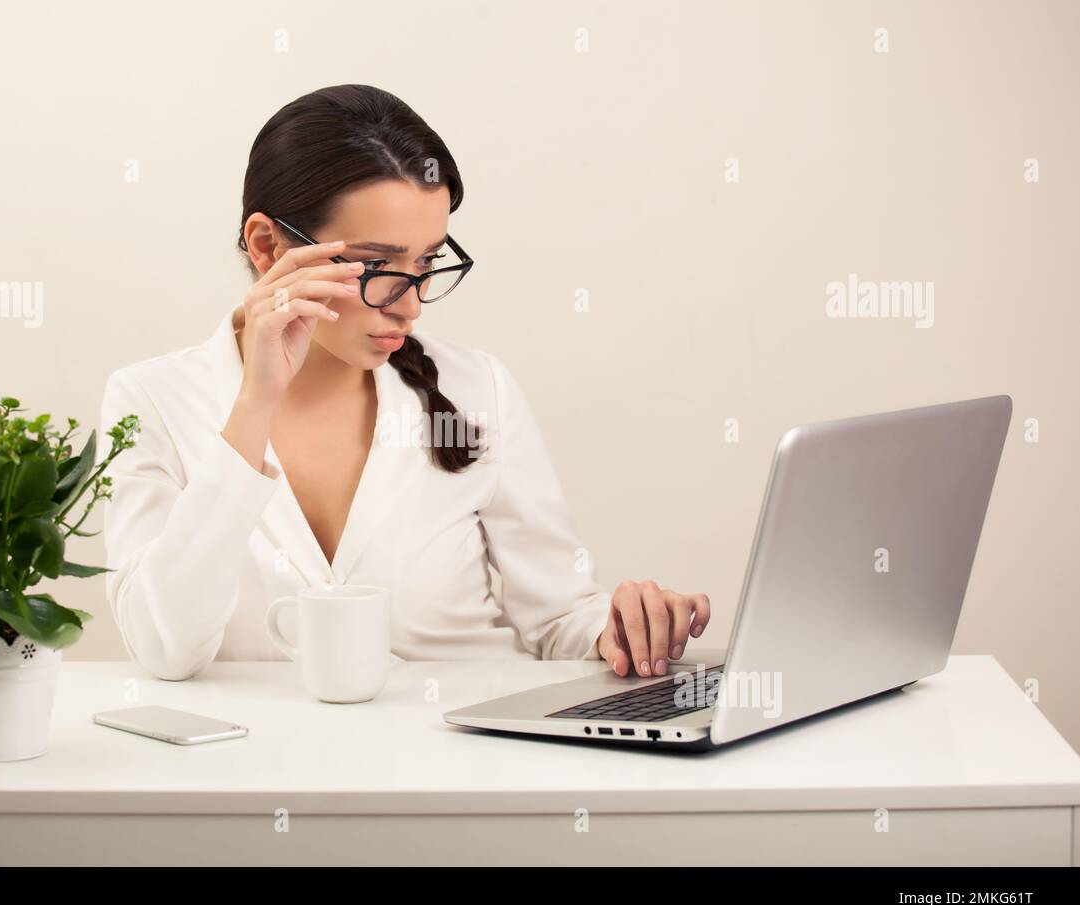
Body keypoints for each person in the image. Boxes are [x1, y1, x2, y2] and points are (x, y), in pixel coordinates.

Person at [99, 83, 710, 681]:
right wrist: (256, 404)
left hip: (467, 763)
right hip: (264, 773)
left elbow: (558, 618)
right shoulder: (149, 400)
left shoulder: (478, 388)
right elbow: (164, 648)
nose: (409, 306)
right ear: (267, 246)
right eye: (375, 265)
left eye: (425, 262)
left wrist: (622, 628)